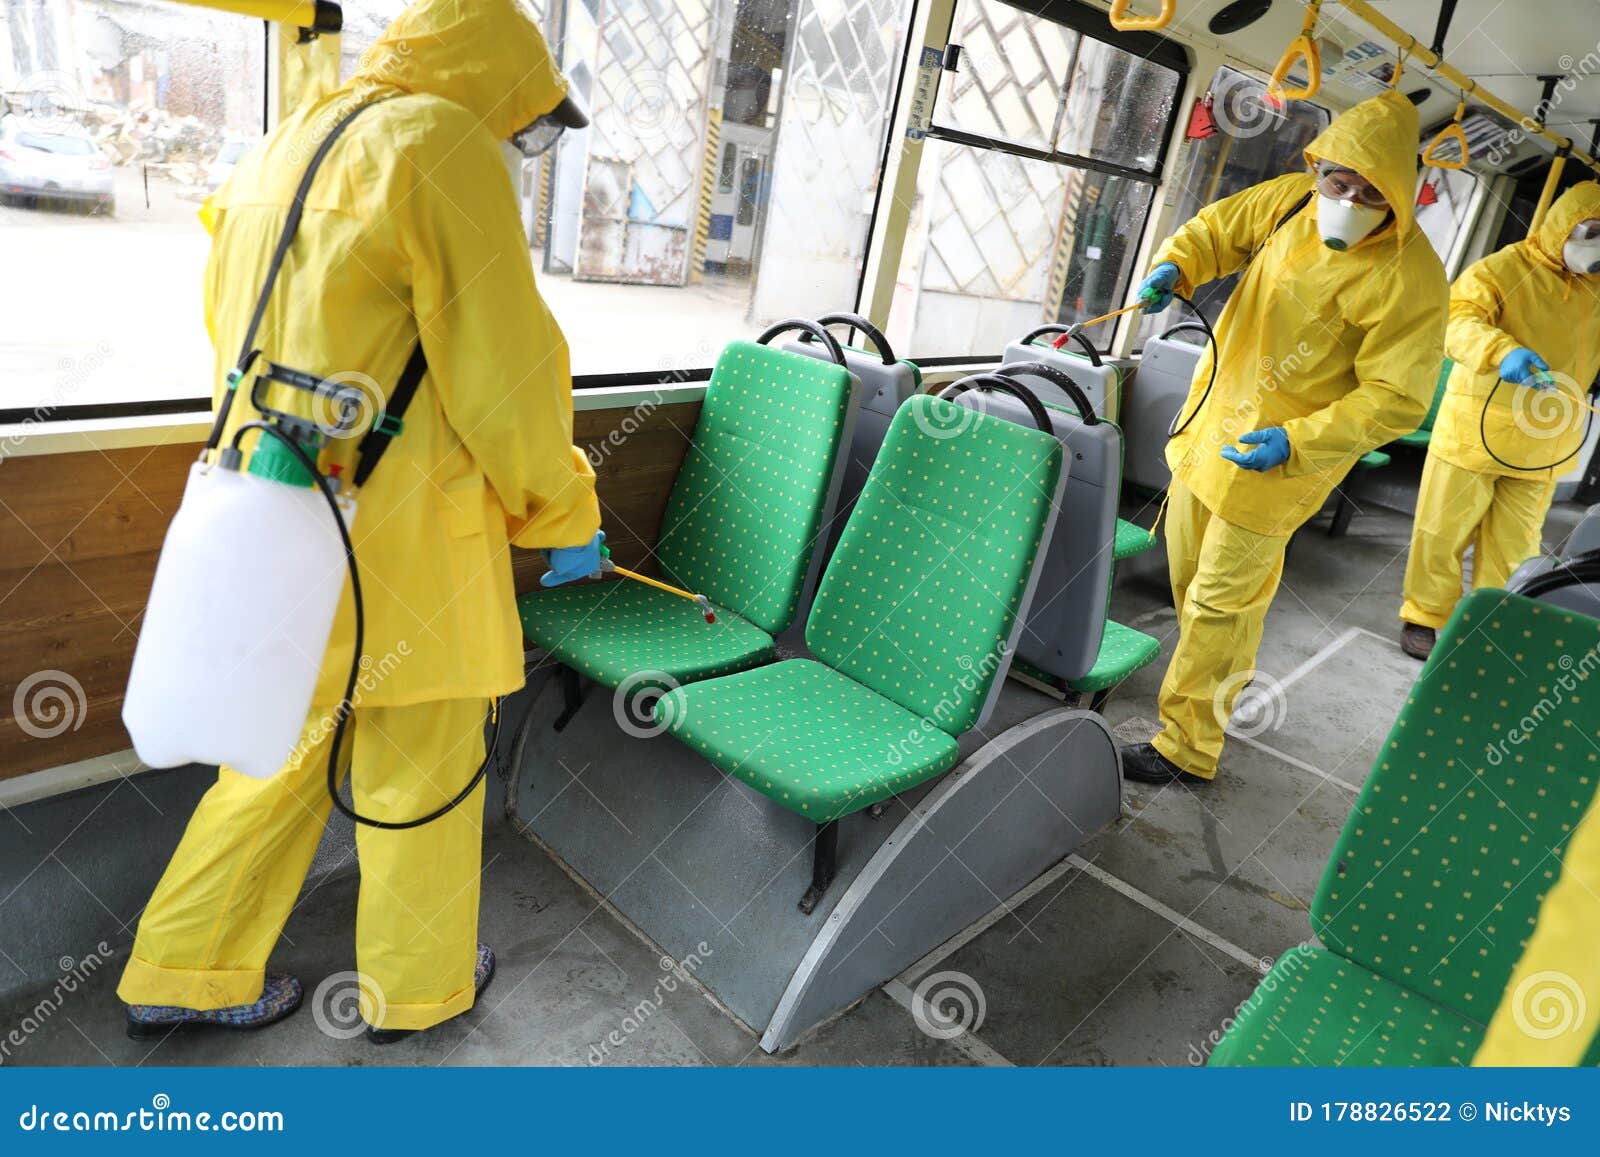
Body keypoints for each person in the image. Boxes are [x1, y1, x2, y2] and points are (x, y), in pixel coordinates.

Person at [116, 0, 603, 1043]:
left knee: (274, 752)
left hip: (276, 514)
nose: (521, 139)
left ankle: (182, 968)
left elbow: (234, 328)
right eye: (524, 115)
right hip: (408, 544)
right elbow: (505, 372)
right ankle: (414, 988)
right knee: (424, 765)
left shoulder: (286, 142)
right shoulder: (443, 146)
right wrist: (561, 510)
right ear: (490, 78)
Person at [1119, 90, 1448, 786]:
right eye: (1340, 180)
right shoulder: (1290, 202)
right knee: (1188, 586)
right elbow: (1214, 234)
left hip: (1278, 465)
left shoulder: (1412, 275)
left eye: (1371, 192)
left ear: (1400, 196)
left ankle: (1188, 745)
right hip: (1210, 430)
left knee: (1221, 607)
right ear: (1318, 167)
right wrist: (1176, 266)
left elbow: (1396, 396)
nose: (1349, 198)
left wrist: (1296, 442)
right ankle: (1202, 690)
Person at [1398, 182, 1600, 660]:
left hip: (1546, 439)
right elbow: (1455, 321)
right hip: (1476, 427)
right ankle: (1425, 618)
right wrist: (1501, 350)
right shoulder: (1503, 269)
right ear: (1562, 226)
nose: (1595, 245)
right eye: (1589, 231)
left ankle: (1491, 623)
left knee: (1517, 545)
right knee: (1442, 532)